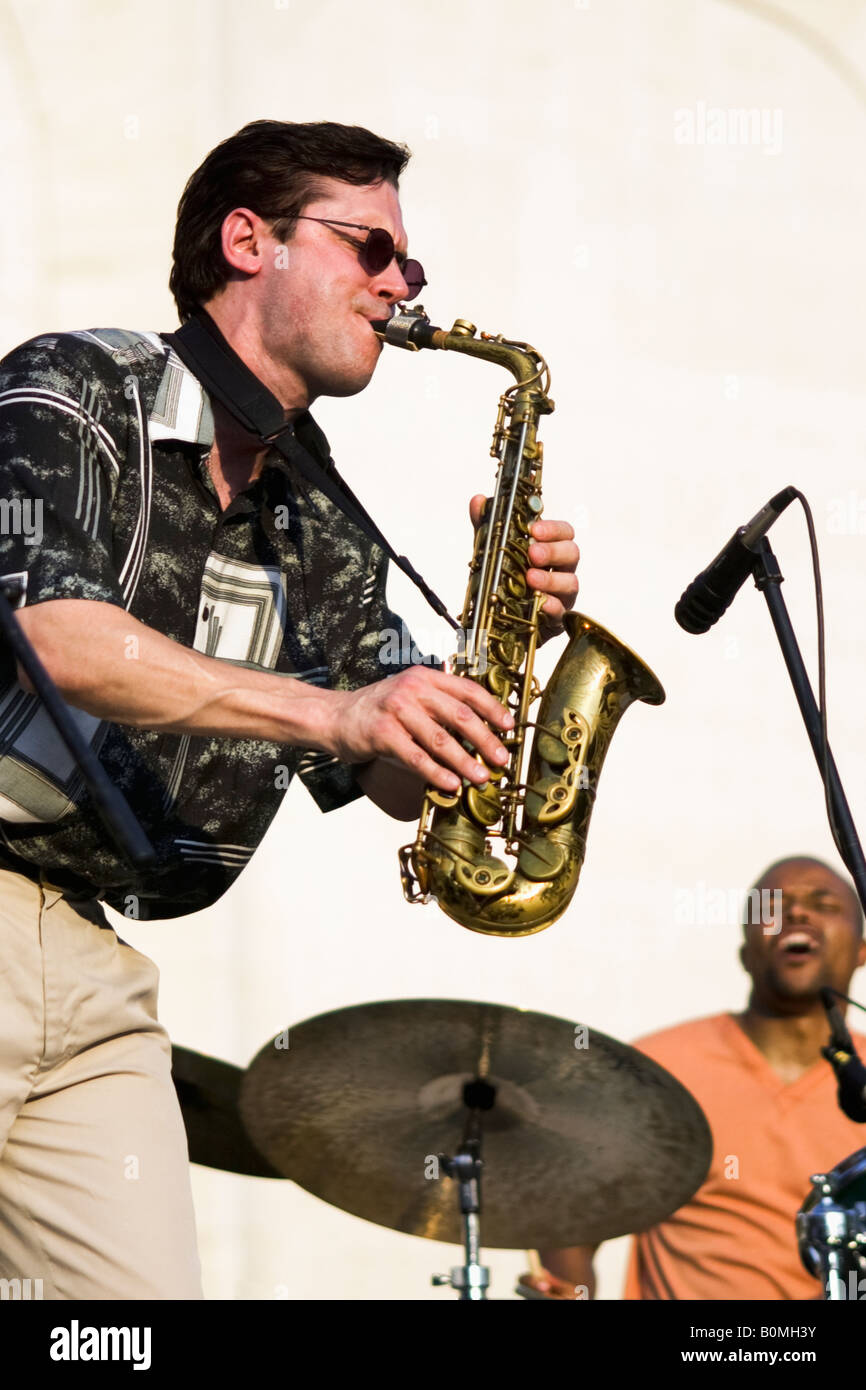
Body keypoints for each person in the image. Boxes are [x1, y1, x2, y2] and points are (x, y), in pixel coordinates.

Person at [0, 119, 580, 1299]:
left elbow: (400, 779)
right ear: (248, 239)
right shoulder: (73, 385)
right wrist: (336, 715)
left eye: (407, 265)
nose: (399, 285)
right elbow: (51, 638)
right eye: (370, 246)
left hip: (101, 968)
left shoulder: (321, 522)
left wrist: (490, 654)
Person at [523, 855, 866, 1300]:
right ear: (745, 953)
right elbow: (569, 1222)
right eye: (773, 906)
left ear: (862, 950)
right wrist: (572, 1291)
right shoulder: (658, 1067)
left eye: (824, 904)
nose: (797, 914)